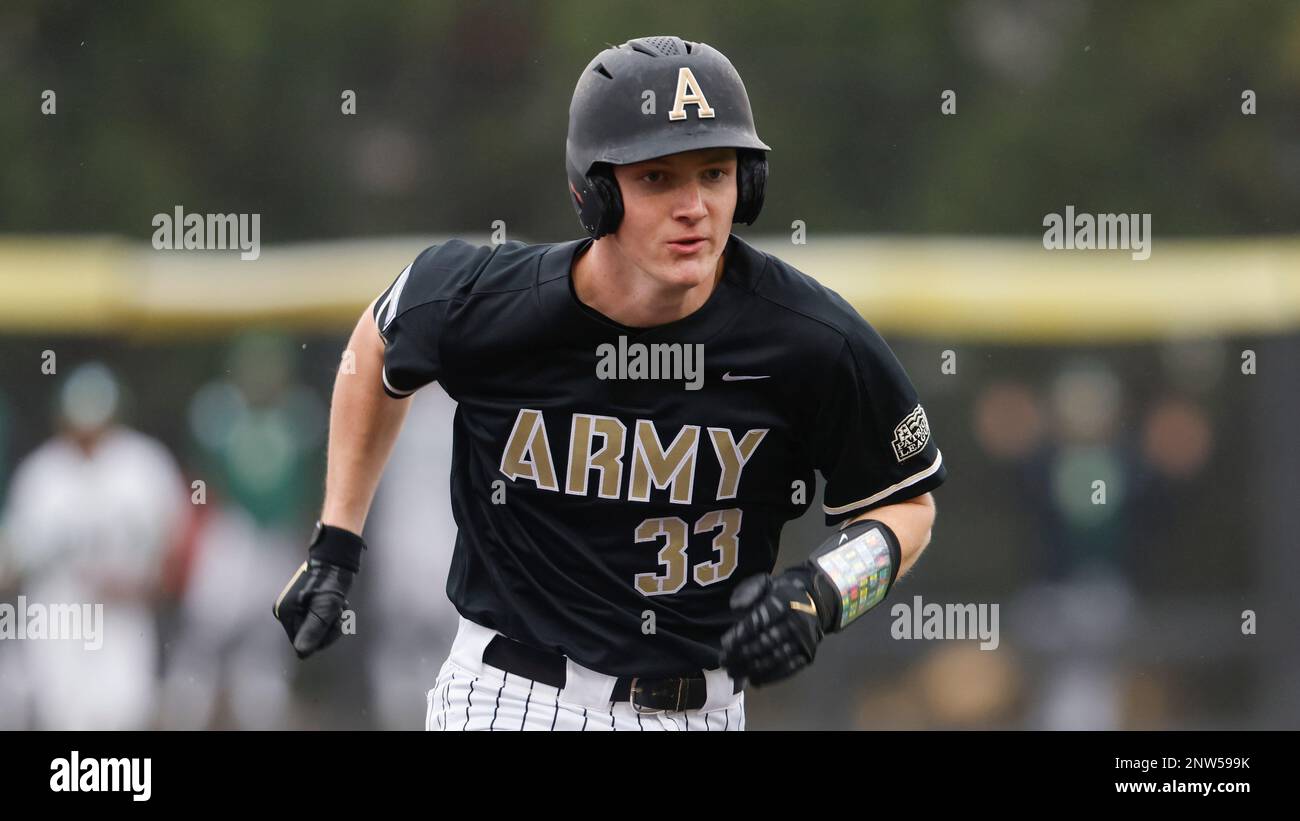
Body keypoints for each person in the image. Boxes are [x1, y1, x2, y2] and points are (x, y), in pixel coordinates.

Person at [274, 35, 946, 731]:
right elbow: (375, 349)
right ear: (594, 193)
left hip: (702, 710)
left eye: (714, 173)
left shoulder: (809, 338)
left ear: (748, 184)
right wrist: (337, 540)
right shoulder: (490, 302)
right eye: (657, 177)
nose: (693, 206)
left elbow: (907, 505)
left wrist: (822, 590)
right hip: (512, 694)